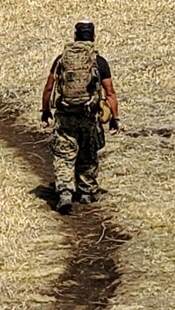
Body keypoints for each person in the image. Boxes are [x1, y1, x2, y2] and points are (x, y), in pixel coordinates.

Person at [41, 19, 120, 213]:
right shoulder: (99, 62)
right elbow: (110, 92)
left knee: (64, 156)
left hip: (66, 117)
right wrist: (115, 118)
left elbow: (49, 87)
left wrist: (45, 111)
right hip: (89, 117)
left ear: (75, 36)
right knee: (88, 154)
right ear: (93, 37)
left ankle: (65, 192)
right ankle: (86, 192)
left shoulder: (62, 60)